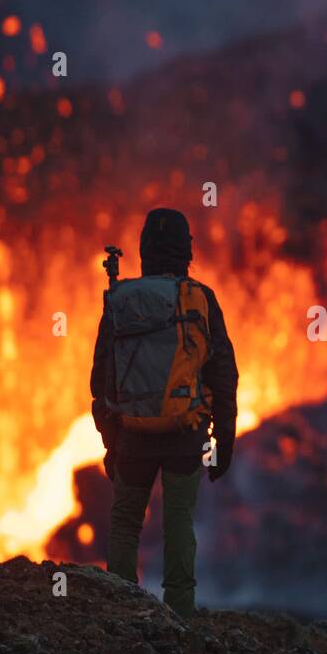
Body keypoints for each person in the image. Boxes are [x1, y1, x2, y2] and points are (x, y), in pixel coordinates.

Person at [90, 208, 238, 617]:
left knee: (124, 525)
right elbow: (223, 375)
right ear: (186, 250)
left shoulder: (122, 299)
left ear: (142, 251)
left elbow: (102, 378)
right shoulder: (200, 298)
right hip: (184, 433)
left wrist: (112, 442)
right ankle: (180, 617)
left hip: (133, 436)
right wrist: (224, 441)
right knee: (177, 525)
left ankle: (121, 613)